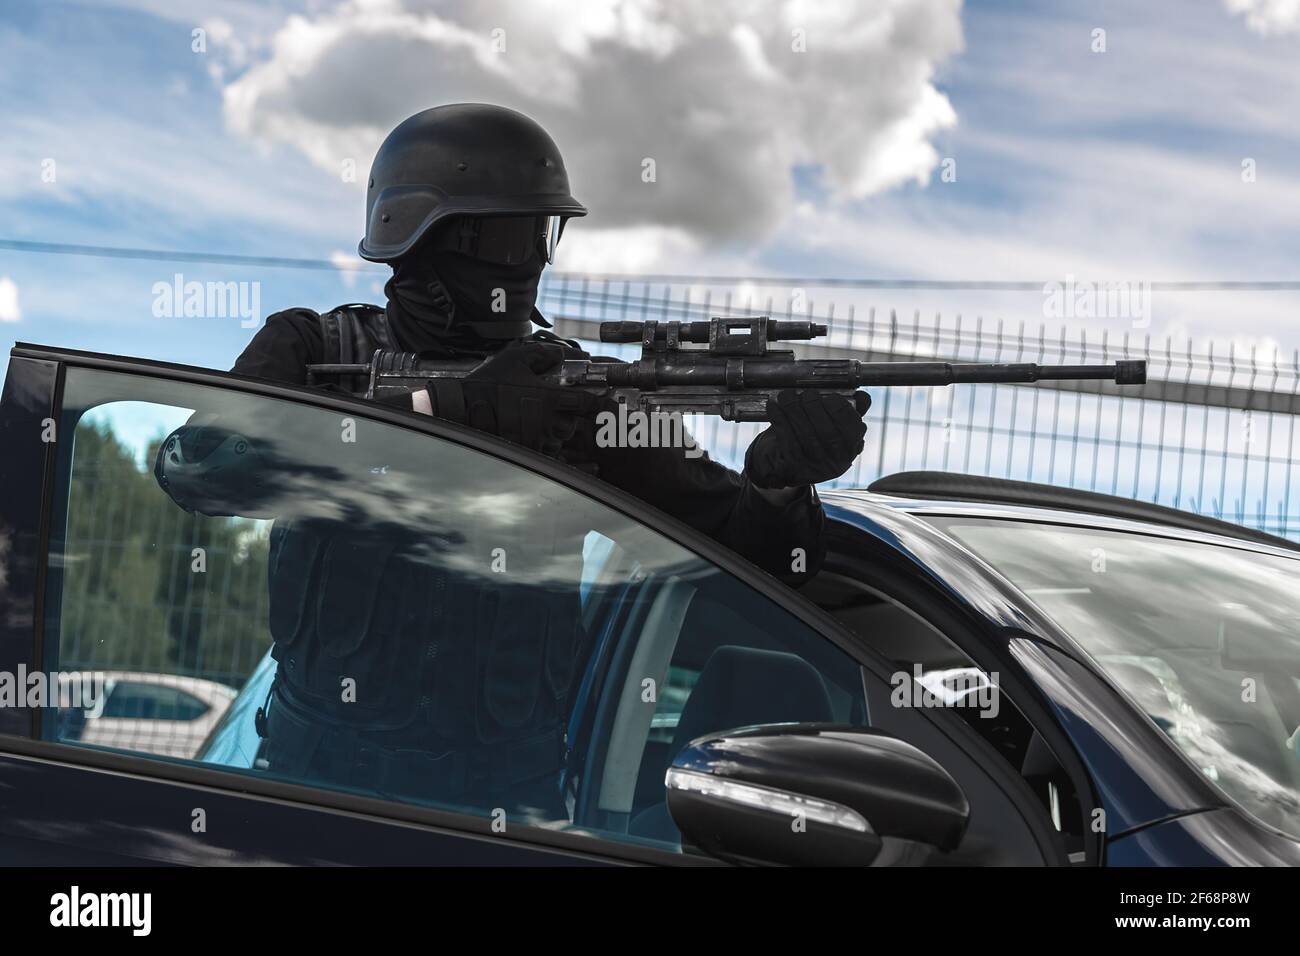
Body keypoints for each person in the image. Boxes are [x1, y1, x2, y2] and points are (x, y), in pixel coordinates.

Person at [156, 103, 869, 817]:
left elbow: (745, 561)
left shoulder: (575, 398)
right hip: (317, 797)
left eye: (540, 235)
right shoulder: (315, 351)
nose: (528, 262)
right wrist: (444, 418)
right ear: (419, 236)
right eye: (504, 238)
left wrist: (778, 483)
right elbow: (198, 469)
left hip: (506, 814)